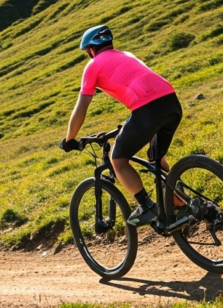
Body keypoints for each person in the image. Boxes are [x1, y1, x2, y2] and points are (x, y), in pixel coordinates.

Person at [59, 24, 187, 230]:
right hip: (171, 102)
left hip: (146, 109)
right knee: (157, 159)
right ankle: (184, 206)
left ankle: (146, 206)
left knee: (118, 160)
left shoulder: (93, 65)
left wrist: (69, 139)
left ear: (91, 49)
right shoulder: (126, 55)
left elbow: (81, 107)